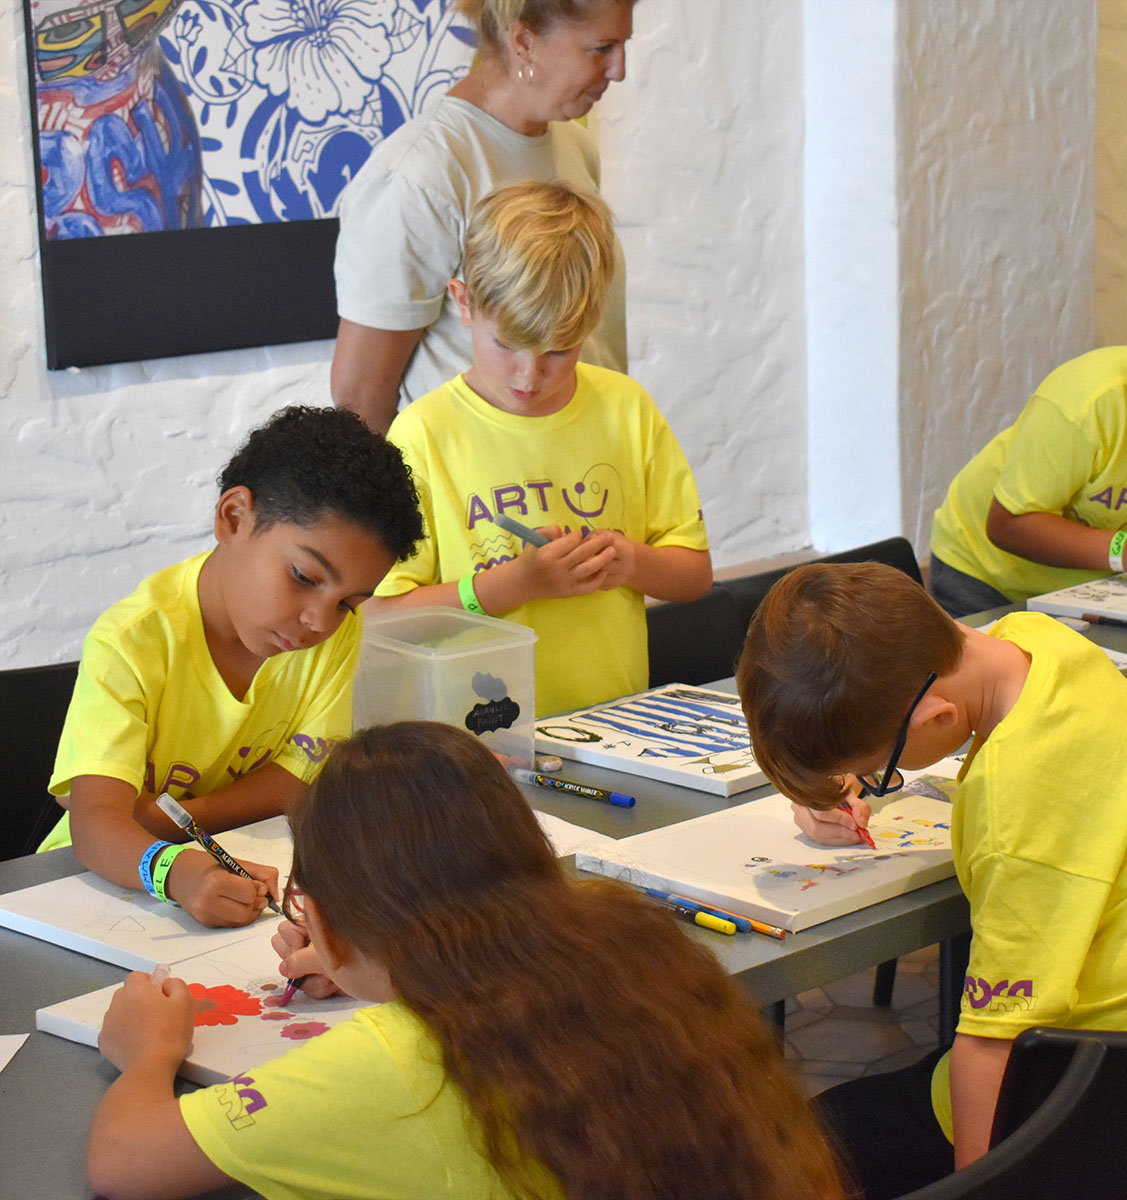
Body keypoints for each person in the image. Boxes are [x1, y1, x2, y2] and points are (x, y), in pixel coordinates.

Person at [86, 721, 848, 1200]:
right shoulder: (644, 951)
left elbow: (124, 1163)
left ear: (322, 918)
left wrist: (148, 1055)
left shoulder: (385, 1063)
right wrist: (372, 970)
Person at [735, 561, 1127, 1198]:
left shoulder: (1014, 802)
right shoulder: (1038, 641)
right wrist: (842, 773)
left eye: (877, 768)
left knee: (800, 1143)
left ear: (933, 717)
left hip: (1098, 1101)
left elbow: (990, 1045)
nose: (873, 783)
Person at [44, 407, 423, 928]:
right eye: (303, 576)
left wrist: (165, 819)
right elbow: (94, 827)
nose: (318, 621)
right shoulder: (134, 640)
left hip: (221, 871)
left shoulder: (334, 637)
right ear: (234, 518)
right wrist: (177, 871)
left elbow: (297, 781)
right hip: (87, 887)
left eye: (348, 603)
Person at [367, 180, 711, 716]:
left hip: (616, 718)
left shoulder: (627, 408)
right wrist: (516, 583)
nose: (530, 376)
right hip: (480, 739)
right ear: (464, 302)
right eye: (507, 345)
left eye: (559, 350)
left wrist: (626, 562)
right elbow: (383, 614)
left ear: (589, 323)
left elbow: (694, 575)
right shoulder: (423, 434)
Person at [331, 0, 633, 433]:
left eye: (622, 46)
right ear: (524, 41)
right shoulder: (419, 176)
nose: (619, 69)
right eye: (601, 48)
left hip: (590, 478)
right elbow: (359, 404)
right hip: (477, 494)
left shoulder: (574, 148)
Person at [927, 299, 1127, 617]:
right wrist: (1123, 550)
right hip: (990, 577)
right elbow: (1008, 523)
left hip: (1097, 589)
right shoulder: (1087, 403)